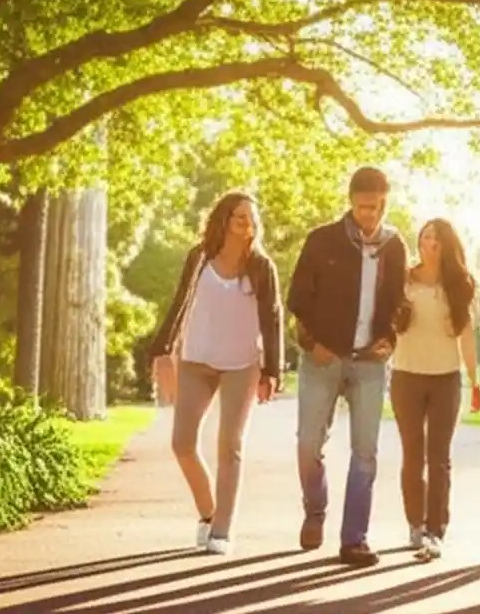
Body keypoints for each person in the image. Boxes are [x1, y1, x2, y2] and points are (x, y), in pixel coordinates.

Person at [148, 191, 284, 555]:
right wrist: (162, 351)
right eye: (239, 216)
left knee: (230, 445)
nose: (247, 224)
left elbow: (272, 320)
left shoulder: (261, 266)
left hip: (242, 364)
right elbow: (179, 303)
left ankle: (222, 530)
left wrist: (272, 370)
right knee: (182, 443)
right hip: (196, 360)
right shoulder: (199, 259)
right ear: (223, 220)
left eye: (251, 218)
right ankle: (209, 512)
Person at [288, 166, 408, 567]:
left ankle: (354, 539)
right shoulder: (322, 241)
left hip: (369, 364)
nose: (368, 216)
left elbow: (399, 304)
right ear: (350, 201)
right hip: (323, 358)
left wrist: (389, 338)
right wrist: (312, 343)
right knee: (308, 445)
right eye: (361, 207)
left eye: (374, 208)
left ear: (384, 203)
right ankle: (315, 508)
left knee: (366, 452)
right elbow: (298, 300)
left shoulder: (394, 246)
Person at [390, 218, 480, 562]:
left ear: (446, 247)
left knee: (439, 457)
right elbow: (387, 324)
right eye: (425, 237)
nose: (428, 244)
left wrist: (474, 380)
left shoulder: (459, 286)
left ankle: (436, 530)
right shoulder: (404, 281)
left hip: (445, 378)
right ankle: (415, 524)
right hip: (406, 376)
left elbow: (467, 336)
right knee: (412, 454)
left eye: (435, 240)